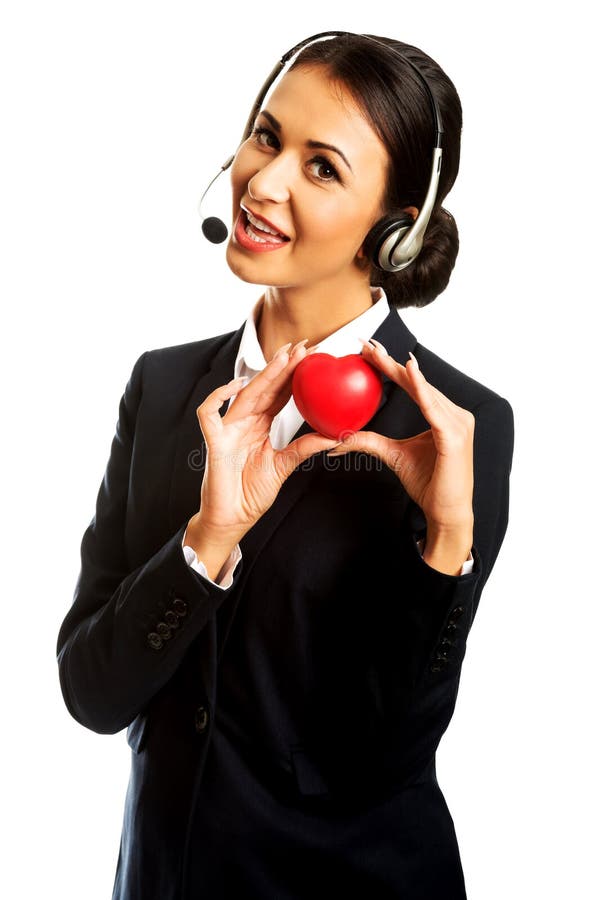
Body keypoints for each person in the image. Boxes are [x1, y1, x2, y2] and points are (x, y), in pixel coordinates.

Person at [56, 31, 514, 900]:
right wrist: (206, 539)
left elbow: (385, 755)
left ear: (396, 232)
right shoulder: (163, 386)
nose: (262, 184)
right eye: (266, 137)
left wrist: (446, 542)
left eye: (322, 168)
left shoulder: (455, 428)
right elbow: (93, 693)